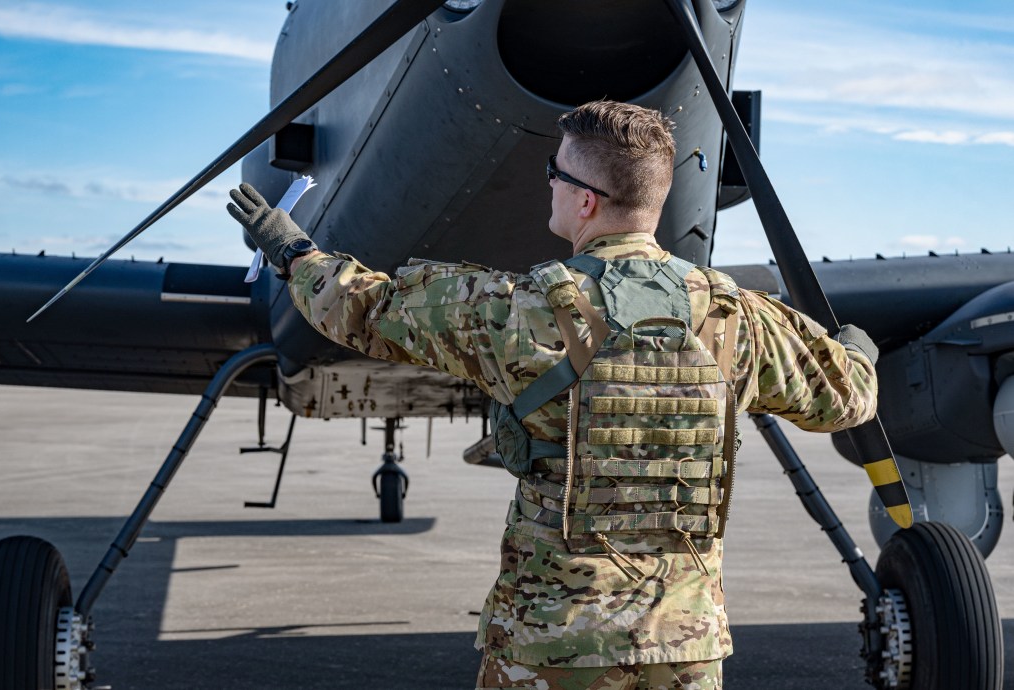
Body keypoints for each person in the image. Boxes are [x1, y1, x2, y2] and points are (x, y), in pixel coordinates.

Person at [228, 100, 879, 690]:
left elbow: (360, 309)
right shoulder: (738, 316)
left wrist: (292, 250)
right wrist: (855, 349)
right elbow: (847, 397)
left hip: (547, 646)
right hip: (682, 652)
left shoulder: (515, 312)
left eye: (554, 171)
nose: (547, 183)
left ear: (587, 200)